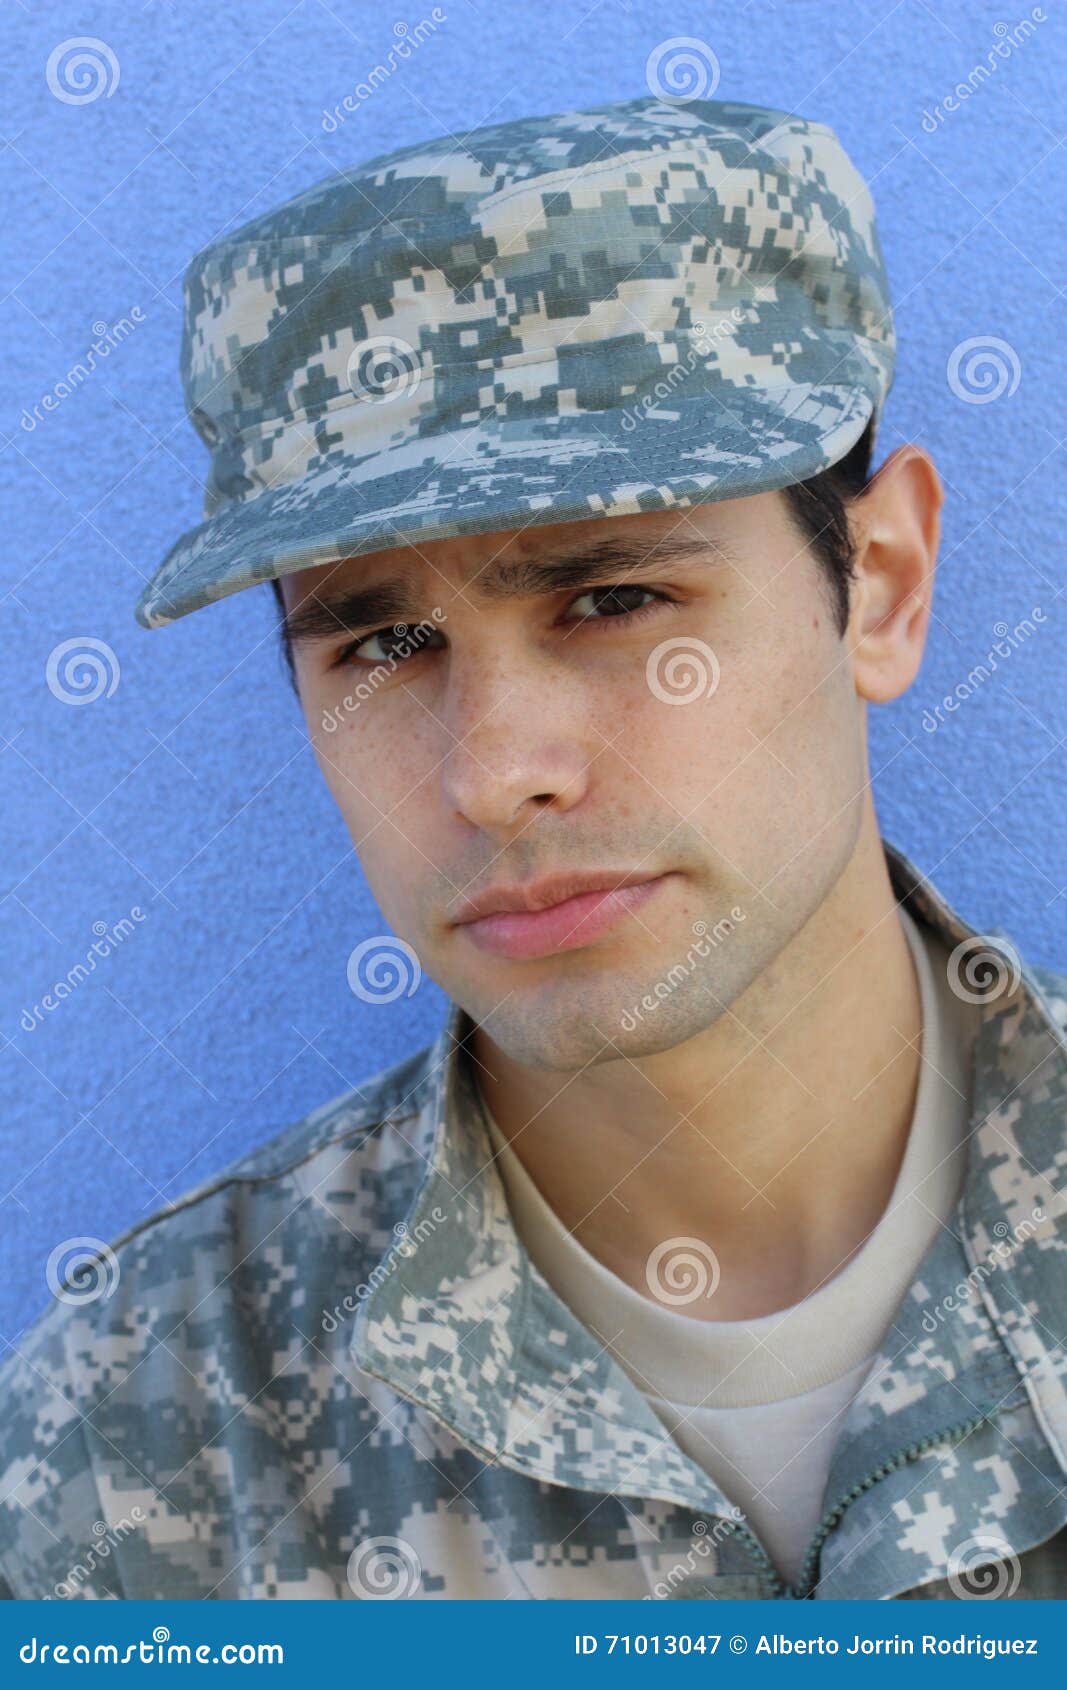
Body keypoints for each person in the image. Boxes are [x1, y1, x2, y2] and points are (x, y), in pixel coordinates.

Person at [1, 93, 1064, 1603]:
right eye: (383, 643)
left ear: (881, 585)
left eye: (614, 599)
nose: (495, 773)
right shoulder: (131, 1443)